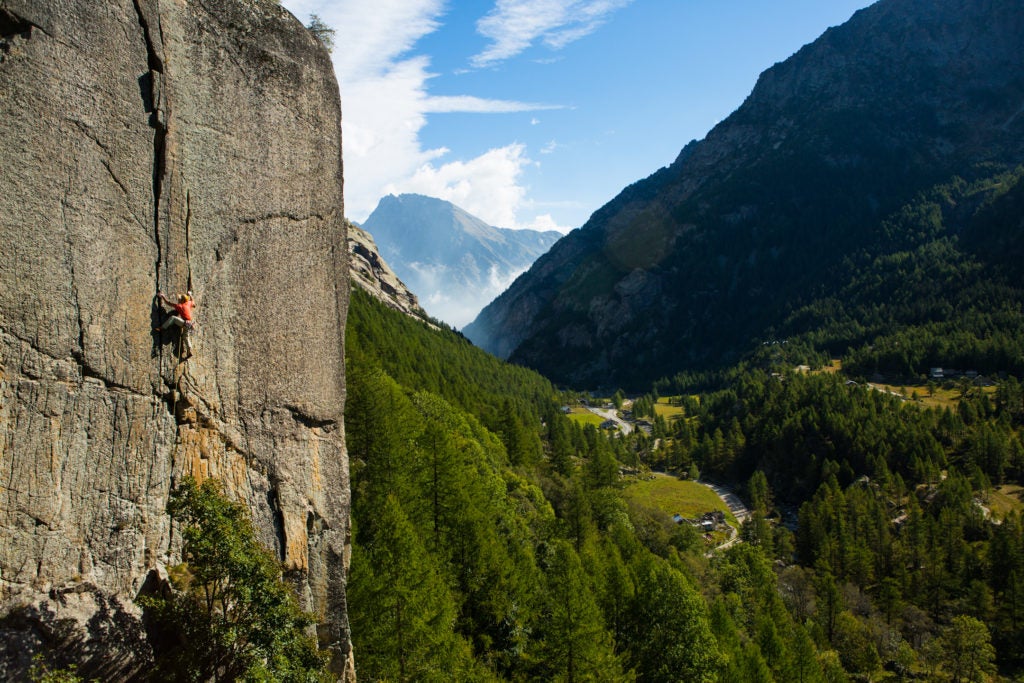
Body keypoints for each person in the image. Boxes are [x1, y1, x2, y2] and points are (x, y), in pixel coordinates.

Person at [155, 290, 196, 357]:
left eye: (179, 299)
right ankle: (189, 350)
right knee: (186, 337)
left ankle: (162, 327)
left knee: (173, 318)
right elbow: (194, 304)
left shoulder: (179, 306)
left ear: (182, 301)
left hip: (184, 323)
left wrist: (163, 297)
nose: (178, 300)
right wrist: (190, 294)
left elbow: (168, 303)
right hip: (190, 325)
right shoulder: (189, 303)